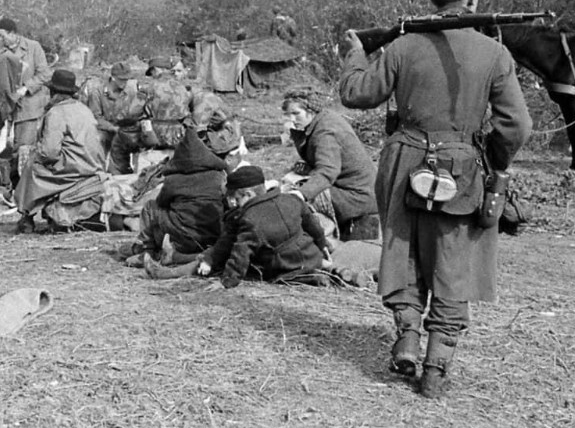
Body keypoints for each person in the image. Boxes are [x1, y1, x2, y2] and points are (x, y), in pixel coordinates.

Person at [339, 0, 532, 399]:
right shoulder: (494, 54)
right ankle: (436, 368)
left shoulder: (403, 46)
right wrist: (493, 162)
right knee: (452, 263)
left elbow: (356, 93)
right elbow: (517, 127)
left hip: (403, 159)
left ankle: (406, 337)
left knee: (402, 249)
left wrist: (355, 52)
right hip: (462, 167)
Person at [197, 165, 334, 289]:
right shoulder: (291, 199)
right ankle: (329, 268)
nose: (236, 204)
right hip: (312, 255)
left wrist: (227, 281)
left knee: (259, 268)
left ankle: (315, 279)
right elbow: (314, 227)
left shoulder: (250, 219)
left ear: (249, 194)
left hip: (287, 268)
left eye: (237, 199)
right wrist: (322, 245)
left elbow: (241, 253)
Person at [10, 69, 107, 233]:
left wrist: (35, 155)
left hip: (73, 169)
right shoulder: (83, 109)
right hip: (93, 165)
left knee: (30, 166)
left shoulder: (56, 112)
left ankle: (26, 215)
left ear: (52, 92)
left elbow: (50, 152)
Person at [279, 85, 380, 242]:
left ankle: (324, 242)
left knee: (295, 201)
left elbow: (328, 172)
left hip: (357, 195)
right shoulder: (320, 120)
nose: (291, 119)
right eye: (287, 115)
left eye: (296, 113)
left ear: (311, 110)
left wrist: (301, 194)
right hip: (350, 187)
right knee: (293, 186)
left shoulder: (325, 132)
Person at [118, 123, 228, 267]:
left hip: (183, 235)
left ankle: (145, 249)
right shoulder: (219, 176)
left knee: (151, 207)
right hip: (212, 235)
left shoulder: (173, 180)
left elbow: (162, 202)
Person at [0, 17, 50, 177]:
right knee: (5, 145)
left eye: (2, 35)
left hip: (28, 106)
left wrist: (26, 88)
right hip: (7, 106)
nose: (0, 39)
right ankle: (8, 181)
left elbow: (45, 74)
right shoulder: (1, 53)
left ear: (12, 33)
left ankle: (24, 184)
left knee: (25, 147)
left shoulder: (33, 47)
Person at [84, 61, 143, 174]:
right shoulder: (97, 92)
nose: (124, 82)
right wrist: (113, 128)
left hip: (124, 131)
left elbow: (135, 114)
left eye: (126, 79)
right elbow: (95, 118)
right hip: (105, 129)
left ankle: (125, 172)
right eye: (121, 79)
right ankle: (98, 171)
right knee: (97, 138)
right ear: (113, 77)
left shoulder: (131, 91)